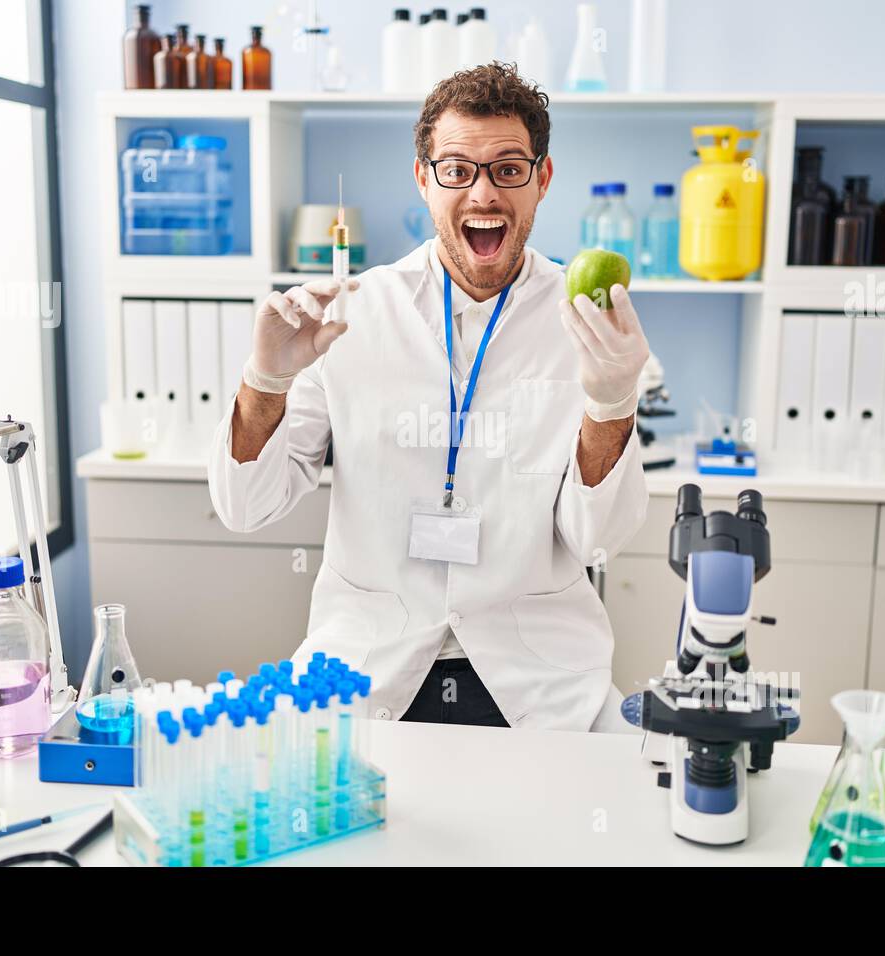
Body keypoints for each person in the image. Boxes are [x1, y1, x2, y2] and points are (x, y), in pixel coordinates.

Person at [208, 63, 649, 731]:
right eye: (456, 169)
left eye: (507, 169)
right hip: (366, 664)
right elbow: (244, 506)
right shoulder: (350, 314)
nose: (483, 194)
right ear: (423, 178)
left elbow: (597, 540)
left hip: (538, 676)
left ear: (542, 180)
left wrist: (611, 406)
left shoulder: (587, 319)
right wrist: (265, 383)